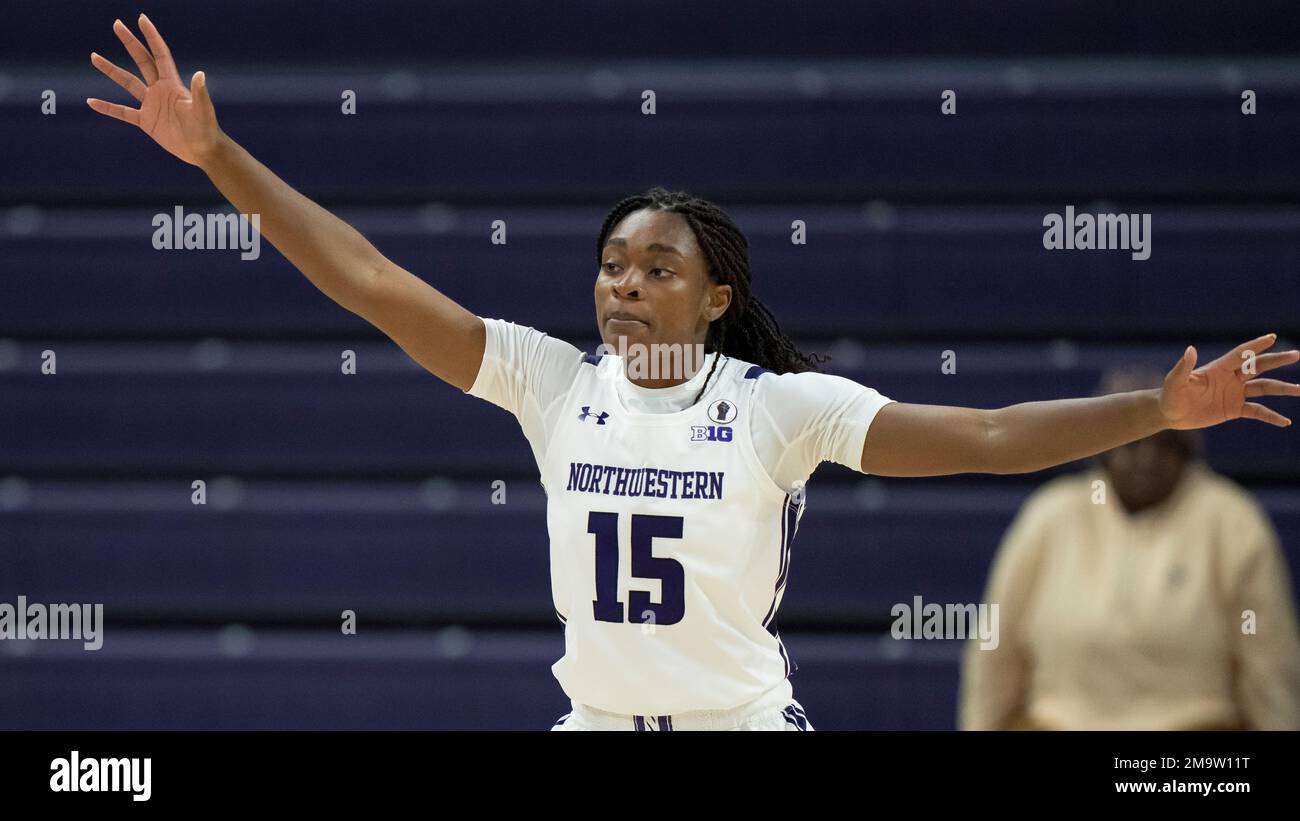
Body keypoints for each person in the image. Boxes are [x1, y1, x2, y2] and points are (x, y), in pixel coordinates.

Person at [88, 15, 1300, 730]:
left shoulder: (773, 412)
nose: (622, 282)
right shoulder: (551, 382)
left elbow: (983, 436)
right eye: (610, 262)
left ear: (715, 297)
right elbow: (364, 275)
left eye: (655, 266)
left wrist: (1158, 404)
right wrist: (219, 156)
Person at [959, 370, 1300, 730]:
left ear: (1188, 451)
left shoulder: (1232, 520)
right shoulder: (1050, 515)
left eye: (1164, 444)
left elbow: (1270, 662)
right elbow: (994, 651)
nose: (1146, 460)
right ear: (1101, 452)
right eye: (1132, 444)